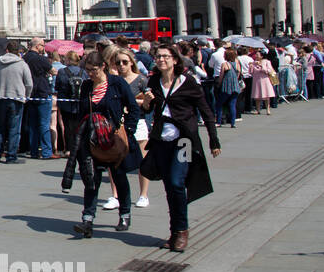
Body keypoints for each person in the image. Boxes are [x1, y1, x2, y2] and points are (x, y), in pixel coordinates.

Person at [141, 44, 221, 253]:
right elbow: (148, 109)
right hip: (161, 140)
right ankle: (174, 231)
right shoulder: (154, 82)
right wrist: (147, 104)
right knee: (169, 186)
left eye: (165, 56)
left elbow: (206, 110)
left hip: (184, 140)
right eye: (158, 57)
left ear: (175, 60)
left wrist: (214, 139)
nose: (161, 60)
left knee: (177, 183)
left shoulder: (188, 82)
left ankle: (182, 231)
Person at [67, 50, 142, 237]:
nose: (90, 74)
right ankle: (87, 219)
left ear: (103, 67)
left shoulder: (117, 84)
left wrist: (128, 130)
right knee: (91, 179)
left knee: (119, 176)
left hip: (112, 140)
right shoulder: (86, 86)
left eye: (93, 70)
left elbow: (133, 108)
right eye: (87, 70)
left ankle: (124, 213)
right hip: (91, 140)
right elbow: (81, 111)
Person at [108, 46, 153, 210]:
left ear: (131, 63)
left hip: (138, 121)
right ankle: (115, 195)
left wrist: (139, 102)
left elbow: (149, 104)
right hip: (117, 123)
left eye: (125, 62)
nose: (121, 65)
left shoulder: (141, 79)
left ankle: (143, 194)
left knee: (142, 159)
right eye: (118, 62)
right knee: (113, 160)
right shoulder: (112, 80)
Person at [0, 41, 32, 163]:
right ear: (18, 51)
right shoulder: (22, 64)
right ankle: (11, 156)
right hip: (16, 98)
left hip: (0, 97)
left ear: (7, 50)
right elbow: (29, 84)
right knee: (14, 129)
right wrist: (26, 97)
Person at [21, 38, 55, 161]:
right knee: (44, 124)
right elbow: (53, 70)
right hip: (42, 92)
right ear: (38, 46)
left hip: (30, 93)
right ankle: (46, 152)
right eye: (43, 45)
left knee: (33, 125)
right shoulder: (41, 59)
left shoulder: (24, 58)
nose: (44, 48)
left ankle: (34, 151)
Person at [250, 48, 276, 115]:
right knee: (257, 95)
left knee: (266, 95)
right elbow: (251, 72)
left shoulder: (267, 62)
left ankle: (268, 109)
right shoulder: (253, 62)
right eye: (256, 54)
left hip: (265, 80)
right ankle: (258, 109)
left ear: (262, 56)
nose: (256, 56)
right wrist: (251, 66)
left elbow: (269, 71)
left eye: (258, 54)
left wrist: (261, 66)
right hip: (256, 80)